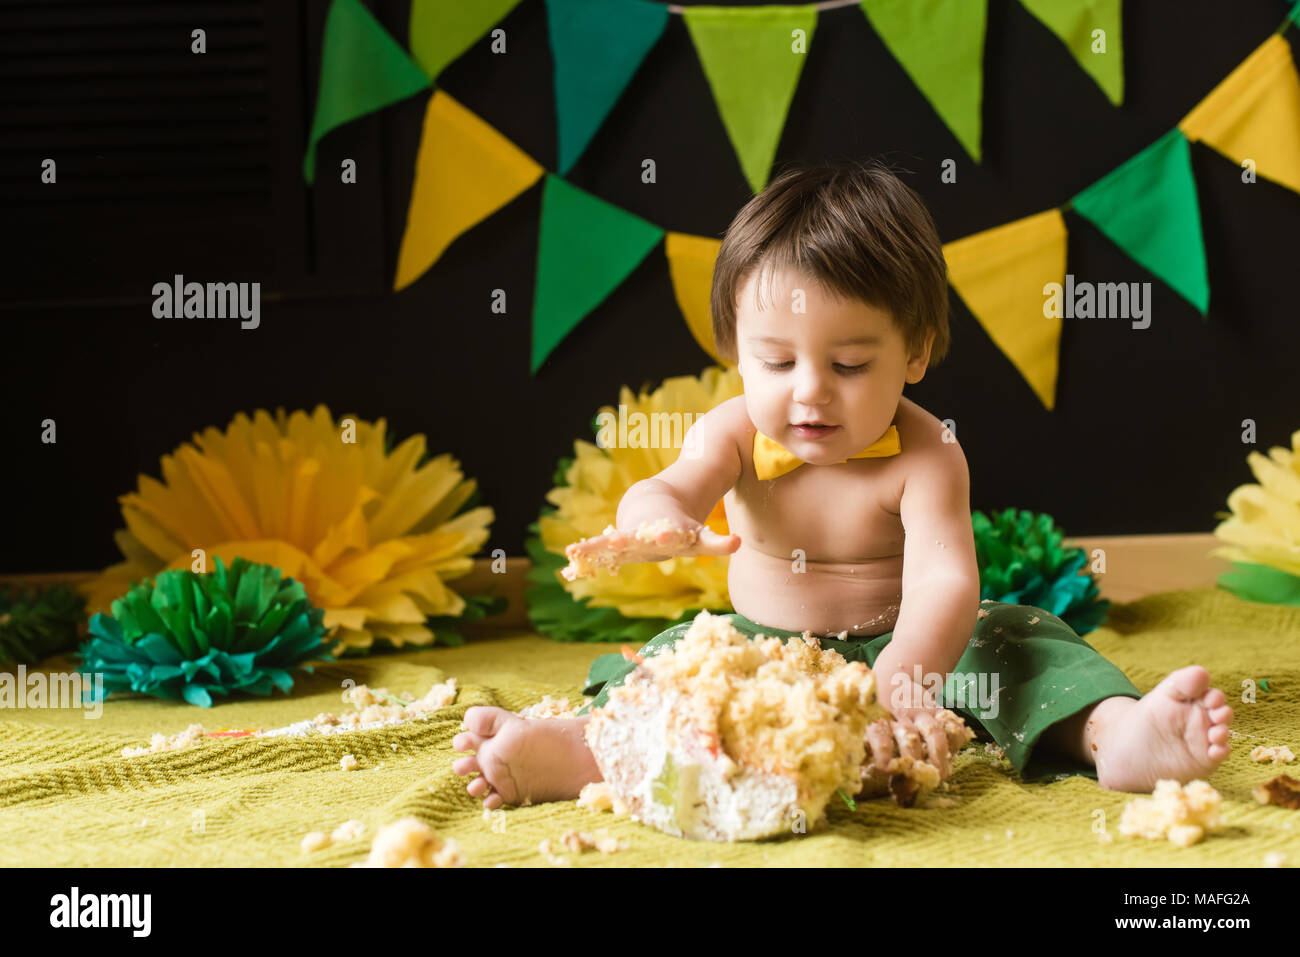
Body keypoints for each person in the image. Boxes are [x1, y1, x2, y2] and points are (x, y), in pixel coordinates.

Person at [452, 160, 1233, 810]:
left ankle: (1115, 734)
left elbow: (945, 576)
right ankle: (574, 752)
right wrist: (659, 521)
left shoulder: (928, 454)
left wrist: (908, 666)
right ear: (735, 349)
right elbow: (672, 484)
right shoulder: (732, 432)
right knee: (661, 672)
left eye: (850, 364)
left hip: (916, 647)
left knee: (1027, 646)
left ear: (915, 352)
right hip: (758, 653)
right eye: (777, 361)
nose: (809, 392)